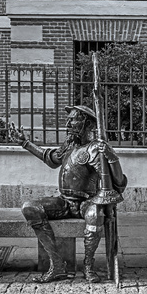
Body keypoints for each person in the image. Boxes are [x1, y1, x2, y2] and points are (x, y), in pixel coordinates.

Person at [11, 105, 128, 283]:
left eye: (73, 119)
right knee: (30, 208)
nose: (68, 123)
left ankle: (88, 266)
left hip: (87, 202)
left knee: (94, 214)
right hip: (64, 201)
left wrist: (112, 158)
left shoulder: (95, 148)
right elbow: (50, 159)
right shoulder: (69, 145)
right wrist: (25, 144)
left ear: (86, 123)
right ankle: (57, 265)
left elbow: (118, 182)